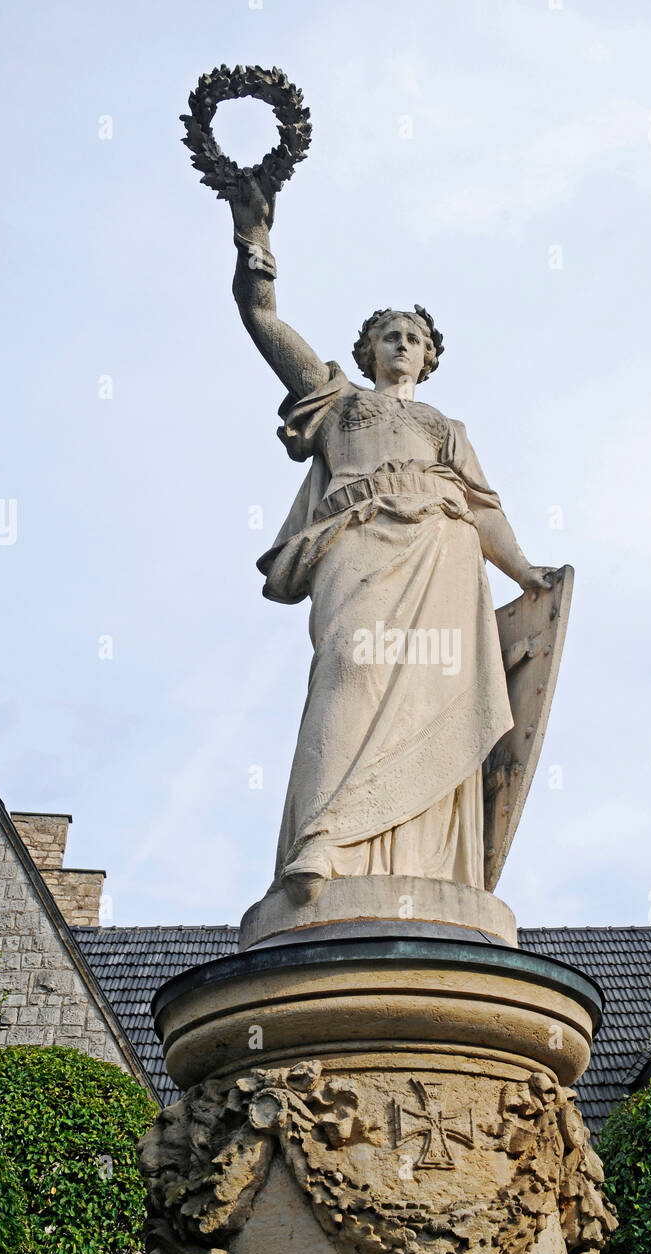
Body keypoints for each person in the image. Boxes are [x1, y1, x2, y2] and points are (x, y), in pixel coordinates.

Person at [229, 177, 552, 906]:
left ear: (429, 356)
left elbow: (485, 510)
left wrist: (527, 573)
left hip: (444, 550)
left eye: (415, 337)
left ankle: (428, 867)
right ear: (367, 350)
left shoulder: (447, 429)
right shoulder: (339, 404)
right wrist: (253, 239)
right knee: (348, 669)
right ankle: (324, 835)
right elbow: (261, 319)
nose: (401, 344)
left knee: (439, 693)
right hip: (360, 542)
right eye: (388, 334)